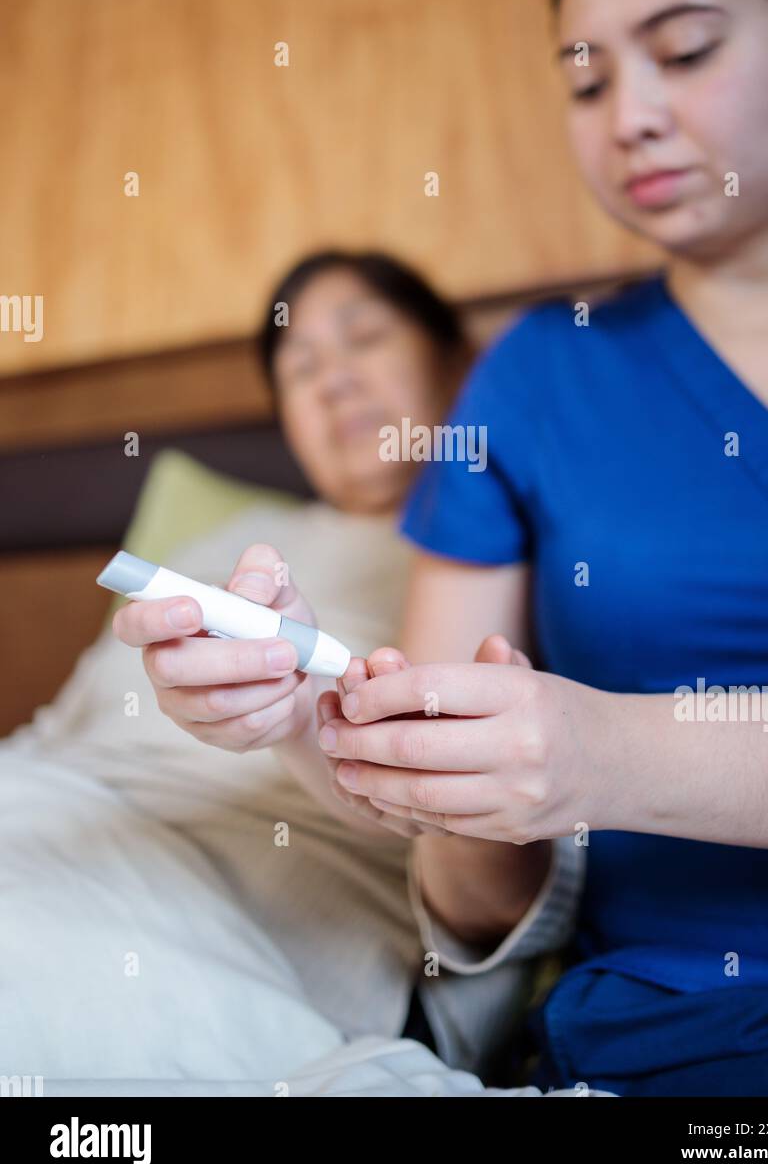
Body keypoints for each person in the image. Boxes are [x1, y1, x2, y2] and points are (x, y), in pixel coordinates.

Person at [314, 0, 768, 1096]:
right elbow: (471, 896)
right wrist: (383, 756)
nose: (627, 116)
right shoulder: (529, 383)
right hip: (681, 1051)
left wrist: (607, 753)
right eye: (585, 79)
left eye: (680, 51)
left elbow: (586, 756)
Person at [3, 250, 582, 1087]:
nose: (332, 383)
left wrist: (302, 720)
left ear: (460, 358)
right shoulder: (214, 551)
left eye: (364, 339)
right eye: (299, 368)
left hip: (240, 915)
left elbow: (509, 876)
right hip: (50, 819)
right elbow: (50, 744)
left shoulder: (514, 559)